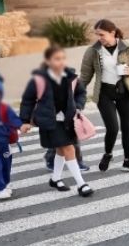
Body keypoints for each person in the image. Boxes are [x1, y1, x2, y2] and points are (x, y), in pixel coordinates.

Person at [21, 45, 94, 197]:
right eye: (56, 59)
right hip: (50, 121)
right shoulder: (39, 80)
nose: (61, 62)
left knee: (61, 149)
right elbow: (27, 100)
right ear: (48, 61)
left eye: (62, 58)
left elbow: (81, 93)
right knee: (69, 149)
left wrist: (79, 106)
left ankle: (55, 179)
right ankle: (81, 184)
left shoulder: (71, 77)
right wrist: (25, 120)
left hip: (67, 119)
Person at [80, 19, 129, 173]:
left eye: (102, 34)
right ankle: (108, 154)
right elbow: (85, 76)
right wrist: (76, 94)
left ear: (112, 33)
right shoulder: (93, 51)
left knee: (127, 126)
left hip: (124, 90)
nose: (99, 37)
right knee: (113, 128)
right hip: (104, 93)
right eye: (97, 35)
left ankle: (128, 160)